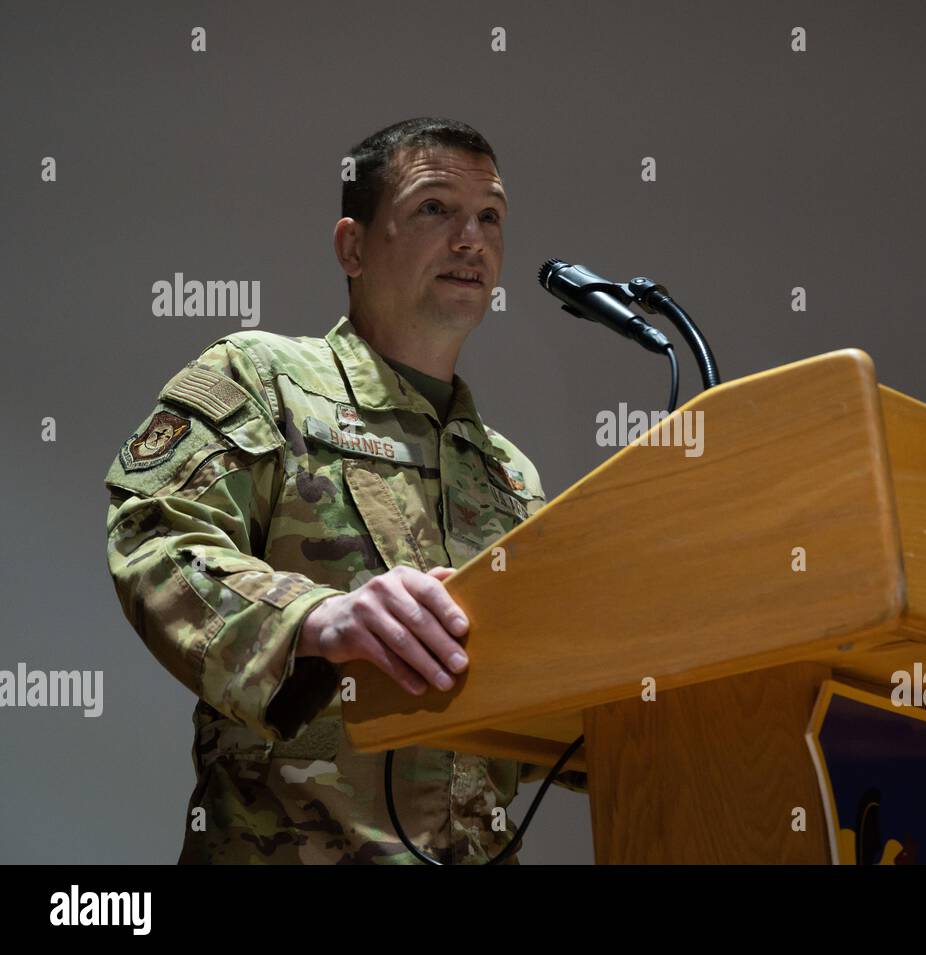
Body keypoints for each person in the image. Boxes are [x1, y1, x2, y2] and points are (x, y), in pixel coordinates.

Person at [103, 117, 584, 865]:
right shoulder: (260, 378)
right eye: (435, 208)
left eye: (490, 217)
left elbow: (545, 712)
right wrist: (316, 618)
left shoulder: (511, 477)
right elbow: (155, 541)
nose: (472, 239)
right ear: (352, 246)